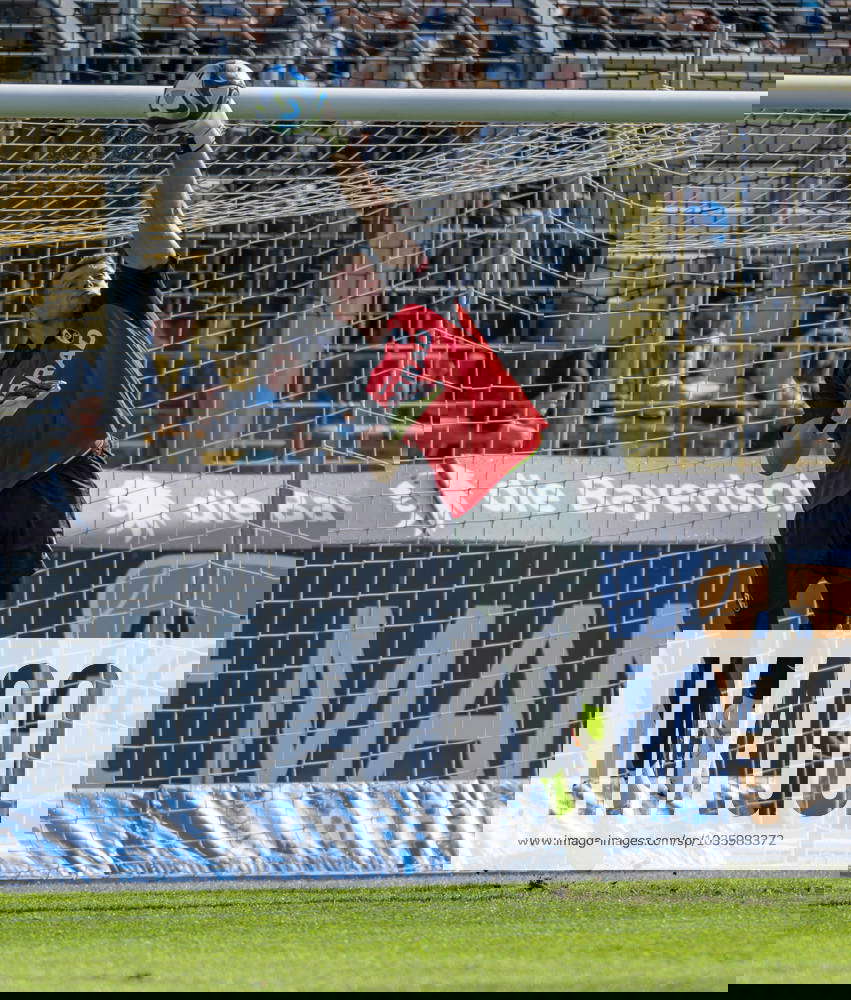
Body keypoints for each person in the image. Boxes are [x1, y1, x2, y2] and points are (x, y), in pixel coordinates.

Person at [0, 60, 250, 602]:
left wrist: (200, 142)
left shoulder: (116, 330)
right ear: (46, 297)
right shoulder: (17, 354)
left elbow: (162, 225)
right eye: (79, 277)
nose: (95, 278)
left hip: (25, 516)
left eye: (101, 280)